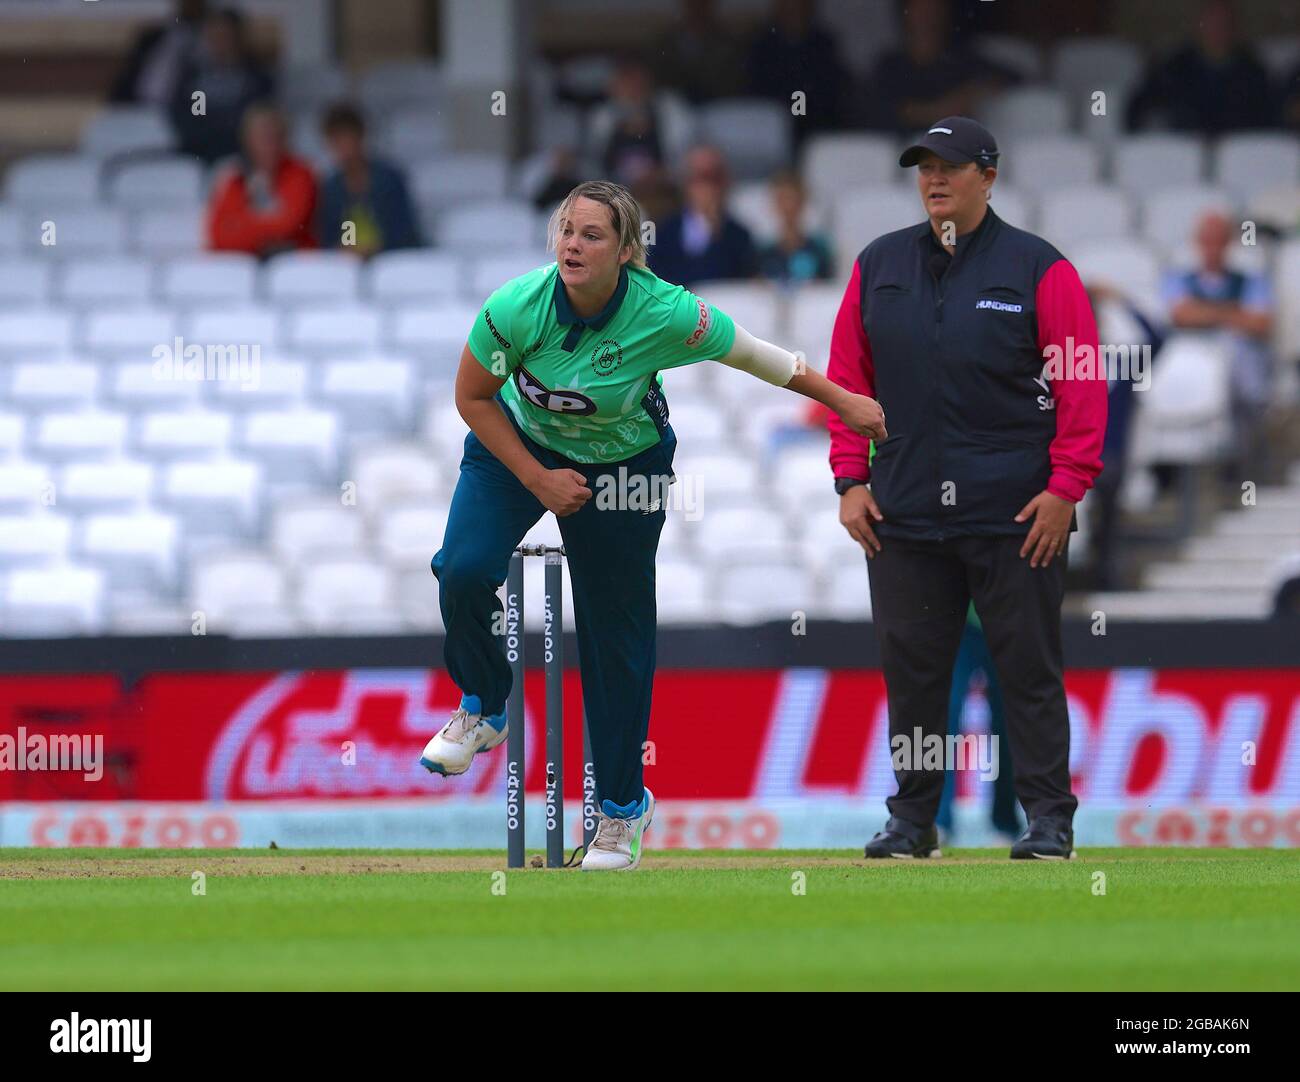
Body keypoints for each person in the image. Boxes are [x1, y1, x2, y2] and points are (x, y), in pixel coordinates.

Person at [418, 180, 886, 871]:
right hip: (515, 447)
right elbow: (473, 396)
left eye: (593, 235)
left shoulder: (668, 312)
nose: (573, 245)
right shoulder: (515, 307)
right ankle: (485, 708)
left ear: (628, 251)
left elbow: (762, 356)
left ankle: (619, 814)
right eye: (567, 231)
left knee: (616, 637)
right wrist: (538, 478)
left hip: (625, 465)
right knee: (461, 569)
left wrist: (844, 401)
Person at [826, 117, 1107, 861]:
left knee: (1029, 670)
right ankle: (914, 822)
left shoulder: (1041, 268)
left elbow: (1082, 381)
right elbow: (847, 383)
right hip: (903, 509)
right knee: (914, 678)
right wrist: (849, 479)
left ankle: (1048, 820)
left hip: (1017, 510)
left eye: (951, 165)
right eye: (923, 167)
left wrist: (1068, 485)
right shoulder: (878, 264)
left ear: (989, 175)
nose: (934, 179)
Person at [1162, 210, 1275, 474]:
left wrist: (1203, 312)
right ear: (1198, 243)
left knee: (1241, 361)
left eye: (1219, 240)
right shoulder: (1179, 278)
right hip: (1192, 357)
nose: (1212, 247)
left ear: (1229, 243)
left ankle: (1236, 458)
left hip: (1236, 363)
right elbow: (1179, 316)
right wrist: (1232, 313)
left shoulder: (1251, 280)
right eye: (1207, 240)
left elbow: (1260, 323)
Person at [866, 0, 1017, 135]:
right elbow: (875, 112)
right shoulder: (890, 66)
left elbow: (1012, 78)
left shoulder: (961, 60)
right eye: (921, 10)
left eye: (935, 9)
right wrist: (938, 111)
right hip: (899, 155)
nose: (928, 17)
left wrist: (974, 92)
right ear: (906, 13)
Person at [1126, 0, 1275, 134]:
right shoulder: (1175, 67)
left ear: (1234, 28)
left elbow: (1266, 121)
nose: (1217, 30)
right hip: (1183, 151)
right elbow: (1140, 108)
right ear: (1199, 26)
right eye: (1211, 23)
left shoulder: (1252, 70)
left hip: (1238, 154)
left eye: (1223, 24)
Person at [206, 104, 318, 256]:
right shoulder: (235, 178)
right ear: (248, 139)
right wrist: (267, 223)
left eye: (273, 136)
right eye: (262, 136)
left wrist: (242, 225)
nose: (268, 143)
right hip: (246, 267)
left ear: (284, 138)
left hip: (293, 267)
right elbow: (218, 235)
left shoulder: (301, 174)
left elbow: (288, 225)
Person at [170, 7, 274, 164]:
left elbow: (254, 119)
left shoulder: (257, 80)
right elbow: (188, 119)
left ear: (238, 38)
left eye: (225, 36)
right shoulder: (192, 78)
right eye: (213, 36)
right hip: (198, 155)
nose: (219, 42)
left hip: (243, 156)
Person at [317, 103, 422, 256]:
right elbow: (334, 235)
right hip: (351, 267)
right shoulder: (333, 188)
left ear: (360, 136)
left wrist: (373, 248)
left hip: (391, 261)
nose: (342, 147)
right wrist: (350, 248)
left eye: (346, 138)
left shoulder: (389, 181)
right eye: (335, 141)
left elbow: (404, 232)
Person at [648, 146, 758, 287]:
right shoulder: (662, 232)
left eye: (713, 178)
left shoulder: (739, 237)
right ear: (685, 182)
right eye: (699, 177)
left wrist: (716, 236)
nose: (707, 187)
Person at [746, 0, 849, 141]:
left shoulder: (824, 44)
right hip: (771, 132)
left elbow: (831, 94)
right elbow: (757, 94)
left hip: (818, 130)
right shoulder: (761, 45)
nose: (793, 7)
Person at [109, 0, 207, 107]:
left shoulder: (210, 42)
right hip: (139, 107)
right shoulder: (153, 37)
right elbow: (128, 75)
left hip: (187, 111)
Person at [757, 169, 834, 284]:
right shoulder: (763, 253)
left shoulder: (819, 249)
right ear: (774, 205)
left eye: (793, 199)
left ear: (802, 203)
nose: (788, 207)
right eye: (782, 200)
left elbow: (828, 288)